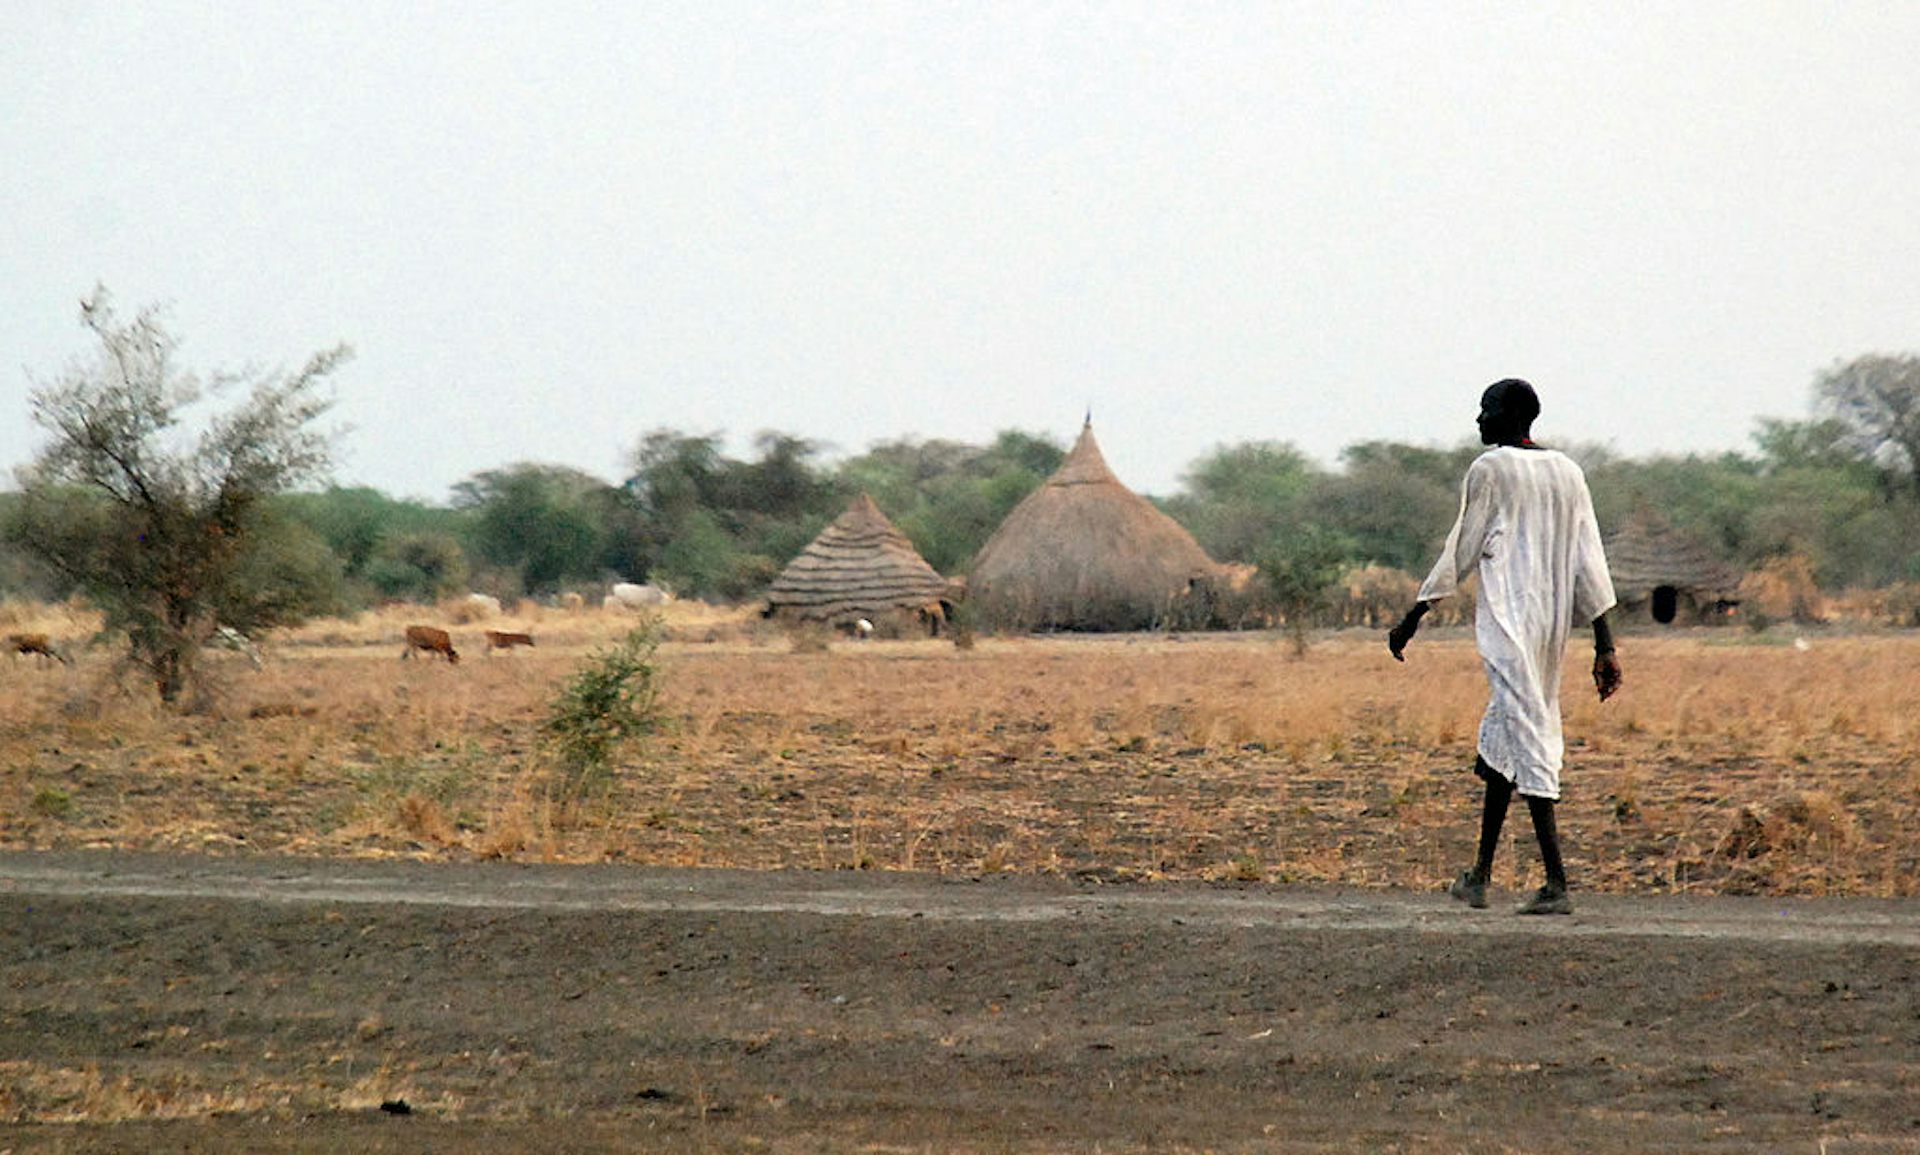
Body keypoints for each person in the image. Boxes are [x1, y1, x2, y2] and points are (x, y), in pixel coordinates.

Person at [1389, 379, 1623, 915]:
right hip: (1550, 630)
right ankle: (1479, 876)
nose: (1478, 419)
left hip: (1511, 624)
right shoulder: (1569, 471)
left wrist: (1413, 616)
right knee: (1502, 740)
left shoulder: (1490, 469)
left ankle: (1557, 884)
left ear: (1512, 416)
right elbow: (1592, 562)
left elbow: (1461, 549)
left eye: (1486, 410)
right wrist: (1603, 645)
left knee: (1532, 737)